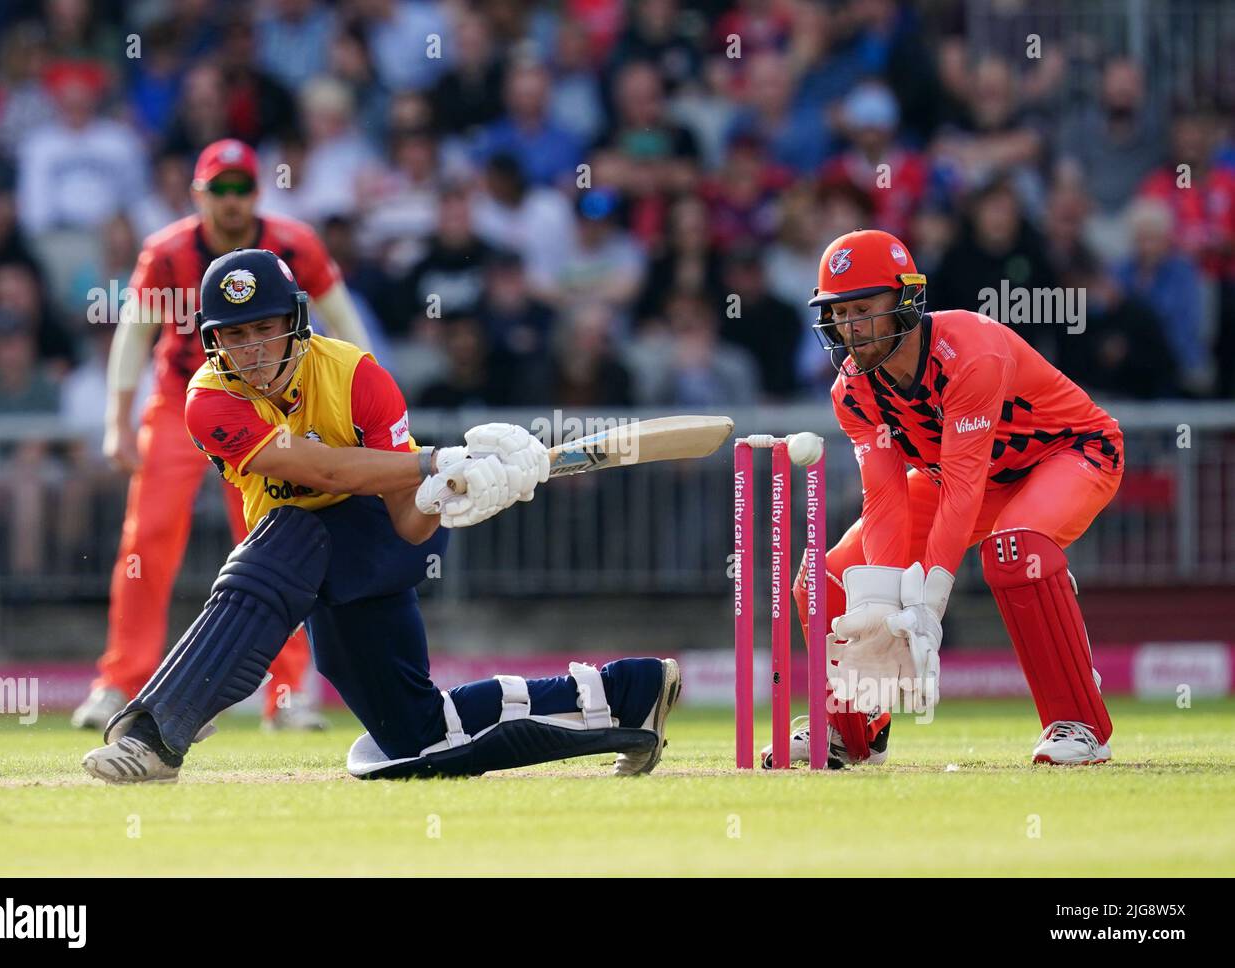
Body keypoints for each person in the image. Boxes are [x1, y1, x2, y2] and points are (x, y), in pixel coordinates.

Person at [81, 249, 680, 783]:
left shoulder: (357, 376)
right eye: (235, 336)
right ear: (213, 343)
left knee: (284, 538)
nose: (254, 350)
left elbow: (407, 526)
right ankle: (627, 692)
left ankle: (156, 734)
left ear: (296, 323)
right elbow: (324, 471)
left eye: (265, 329)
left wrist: (445, 497)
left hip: (370, 542)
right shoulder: (209, 399)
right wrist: (438, 462)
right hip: (315, 570)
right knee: (420, 734)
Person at [765, 229, 1123, 768]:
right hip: (965, 481)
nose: (850, 328)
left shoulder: (968, 351)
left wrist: (928, 607)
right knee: (828, 576)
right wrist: (879, 604)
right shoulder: (852, 390)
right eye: (839, 313)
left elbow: (962, 484)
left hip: (1070, 454)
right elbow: (884, 499)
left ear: (906, 301)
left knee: (1014, 548)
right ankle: (851, 728)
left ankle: (1080, 723)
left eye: (864, 309)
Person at [71, 139, 375, 733]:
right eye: (221, 189)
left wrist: (358, 396)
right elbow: (135, 334)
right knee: (147, 539)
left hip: (267, 407)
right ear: (198, 194)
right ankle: (119, 683)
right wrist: (119, 420)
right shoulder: (166, 251)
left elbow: (345, 320)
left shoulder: (296, 245)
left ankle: (288, 696)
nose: (232, 201)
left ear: (257, 192)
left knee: (273, 542)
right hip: (185, 403)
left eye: (241, 188)